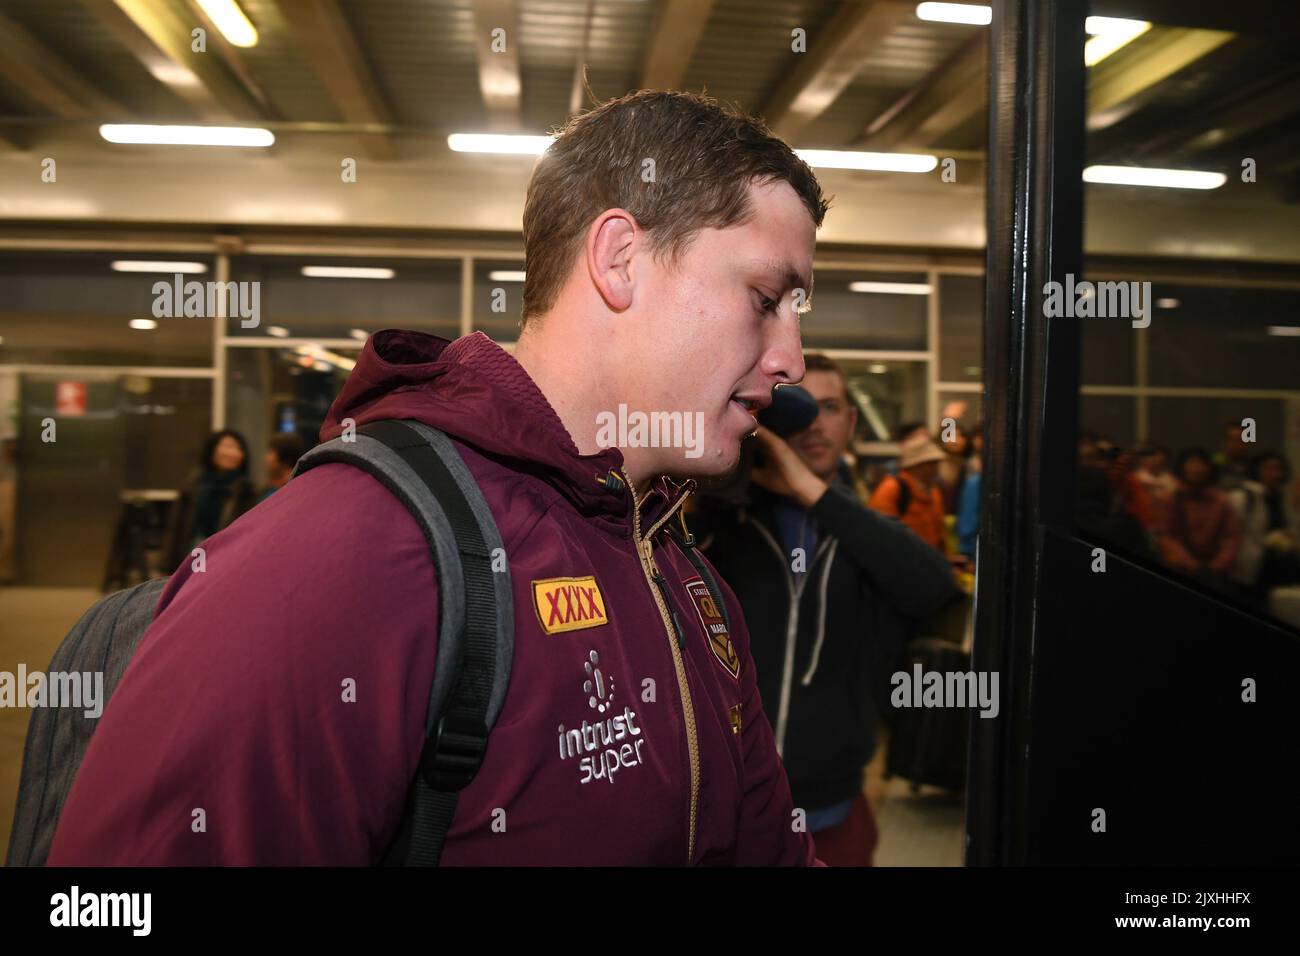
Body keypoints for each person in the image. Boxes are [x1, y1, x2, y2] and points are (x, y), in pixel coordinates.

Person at [48, 90, 832, 866]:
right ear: (620, 259)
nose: (791, 358)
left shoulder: (681, 567)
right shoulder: (350, 557)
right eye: (765, 299)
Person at [694, 354, 957, 866]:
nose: (815, 422)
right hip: (724, 808)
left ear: (852, 423)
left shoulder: (866, 532)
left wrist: (813, 494)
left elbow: (934, 588)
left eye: (831, 406)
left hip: (835, 810)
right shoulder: (727, 522)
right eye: (799, 406)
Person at [161, 429, 259, 572]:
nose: (231, 452)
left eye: (237, 448)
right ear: (213, 451)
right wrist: (165, 565)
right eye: (226, 446)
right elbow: (175, 528)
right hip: (193, 556)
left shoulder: (247, 492)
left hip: (229, 561)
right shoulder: (193, 487)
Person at [1155, 448, 1242, 589]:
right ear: (1182, 468)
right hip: (1179, 570)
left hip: (1215, 573)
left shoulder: (1221, 500)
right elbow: (1166, 536)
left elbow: (1231, 537)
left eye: (1201, 464)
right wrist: (1191, 565)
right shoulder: (1169, 499)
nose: (1197, 469)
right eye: (1191, 464)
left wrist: (1217, 565)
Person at [869, 432, 951, 556]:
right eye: (931, 463)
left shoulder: (934, 491)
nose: (936, 467)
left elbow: (940, 533)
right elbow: (878, 533)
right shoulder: (892, 488)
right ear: (916, 465)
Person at [259, 432, 308, 502]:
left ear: (285, 459)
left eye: (270, 452)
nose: (266, 458)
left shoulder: (296, 493)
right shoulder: (268, 489)